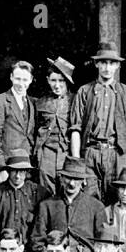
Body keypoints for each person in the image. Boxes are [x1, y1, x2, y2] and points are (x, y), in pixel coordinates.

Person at [69, 41, 126, 201]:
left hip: (116, 153)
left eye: (112, 63)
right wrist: (77, 162)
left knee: (117, 200)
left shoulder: (125, 92)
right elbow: (75, 129)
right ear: (96, 64)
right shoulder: (84, 91)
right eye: (103, 62)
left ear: (117, 66)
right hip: (90, 153)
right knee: (88, 200)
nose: (107, 67)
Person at [29, 155, 106, 252]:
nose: (72, 183)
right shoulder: (47, 205)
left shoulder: (96, 206)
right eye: (68, 177)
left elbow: (103, 240)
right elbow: (37, 240)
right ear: (61, 178)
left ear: (84, 180)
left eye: (77, 178)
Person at [0, 60, 36, 185]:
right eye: (17, 79)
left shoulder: (33, 103)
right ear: (11, 77)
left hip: (27, 167)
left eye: (25, 80)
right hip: (8, 168)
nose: (21, 84)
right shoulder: (0, 101)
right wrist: (1, 168)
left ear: (31, 80)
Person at [0, 150, 45, 247]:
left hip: (29, 250)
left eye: (21, 171)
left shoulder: (38, 193)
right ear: (8, 171)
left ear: (27, 171)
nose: (17, 176)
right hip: (3, 250)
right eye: (14, 171)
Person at [33, 57, 75, 197]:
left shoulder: (75, 101)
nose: (57, 85)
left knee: (67, 191)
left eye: (61, 81)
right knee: (45, 193)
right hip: (46, 155)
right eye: (53, 80)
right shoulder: (40, 103)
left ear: (67, 82)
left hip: (67, 154)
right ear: (47, 80)